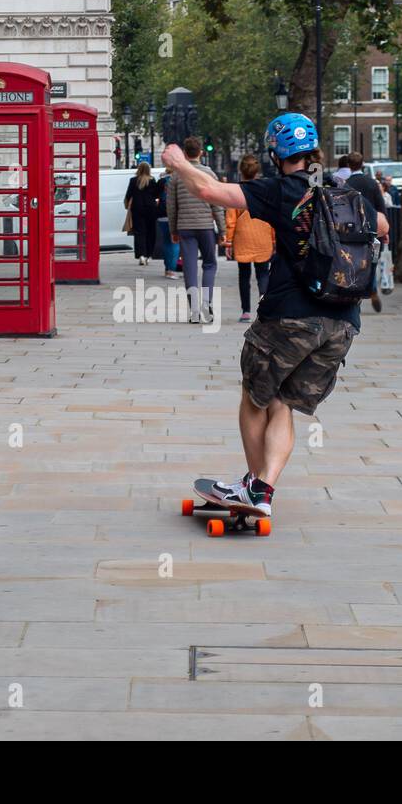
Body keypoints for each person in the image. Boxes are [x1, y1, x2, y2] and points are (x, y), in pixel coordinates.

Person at [161, 113, 388, 518]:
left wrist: (179, 163)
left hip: (289, 316)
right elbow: (382, 225)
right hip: (341, 321)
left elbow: (211, 191)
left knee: (253, 398)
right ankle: (262, 487)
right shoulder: (343, 189)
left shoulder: (282, 190)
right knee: (283, 402)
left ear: (275, 153)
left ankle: (254, 489)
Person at [165, 137, 224, 322]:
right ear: (200, 153)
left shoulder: (176, 176)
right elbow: (217, 204)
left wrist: (173, 229)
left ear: (185, 153)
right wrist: (222, 230)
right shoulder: (209, 173)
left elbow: (171, 206)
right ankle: (207, 306)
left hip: (185, 227)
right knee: (209, 264)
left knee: (189, 268)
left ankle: (194, 312)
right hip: (205, 226)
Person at [225, 154, 275, 323]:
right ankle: (264, 306)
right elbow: (273, 216)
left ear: (241, 171)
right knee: (263, 274)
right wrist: (274, 238)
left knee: (244, 275)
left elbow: (231, 220)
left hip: (243, 236)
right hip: (263, 235)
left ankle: (245, 311)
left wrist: (229, 241)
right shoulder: (267, 190)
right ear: (257, 171)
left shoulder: (237, 191)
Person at [343, 152, 388, 312]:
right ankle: (372, 288)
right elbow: (380, 208)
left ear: (349, 165)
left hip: (353, 232)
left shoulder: (346, 184)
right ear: (362, 164)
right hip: (372, 230)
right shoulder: (372, 183)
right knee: (371, 262)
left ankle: (357, 294)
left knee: (354, 264)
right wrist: (385, 230)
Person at [124, 162, 160, 265]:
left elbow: (128, 195)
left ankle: (141, 255)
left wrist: (127, 206)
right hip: (151, 209)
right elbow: (156, 194)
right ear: (149, 170)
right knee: (150, 232)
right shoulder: (152, 180)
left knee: (139, 233)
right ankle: (148, 255)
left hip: (137, 209)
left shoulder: (133, 180)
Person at [155, 166, 180, 279]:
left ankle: (167, 268)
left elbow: (154, 196)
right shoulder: (179, 180)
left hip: (162, 214)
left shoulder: (161, 181)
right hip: (175, 215)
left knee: (166, 242)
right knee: (175, 242)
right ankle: (171, 269)